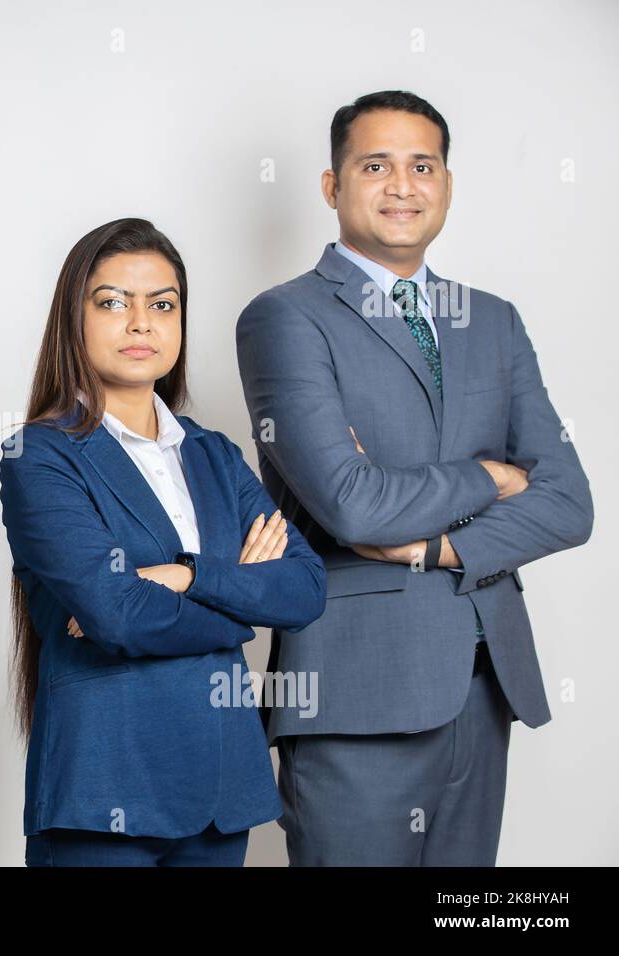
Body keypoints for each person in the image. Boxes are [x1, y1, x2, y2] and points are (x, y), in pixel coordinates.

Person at [235, 90, 594, 866]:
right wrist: (492, 476)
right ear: (332, 187)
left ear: (447, 185)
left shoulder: (492, 320)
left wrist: (436, 549)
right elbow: (353, 506)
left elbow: (569, 502)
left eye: (421, 165)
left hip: (482, 679)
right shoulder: (287, 317)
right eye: (375, 165)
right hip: (355, 689)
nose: (402, 185)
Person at [0, 217, 327, 867]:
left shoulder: (214, 454)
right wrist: (239, 603)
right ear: (74, 317)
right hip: (103, 790)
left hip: (219, 787)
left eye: (163, 304)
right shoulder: (39, 455)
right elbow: (116, 614)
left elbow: (305, 587)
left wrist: (185, 577)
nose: (141, 322)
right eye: (114, 302)